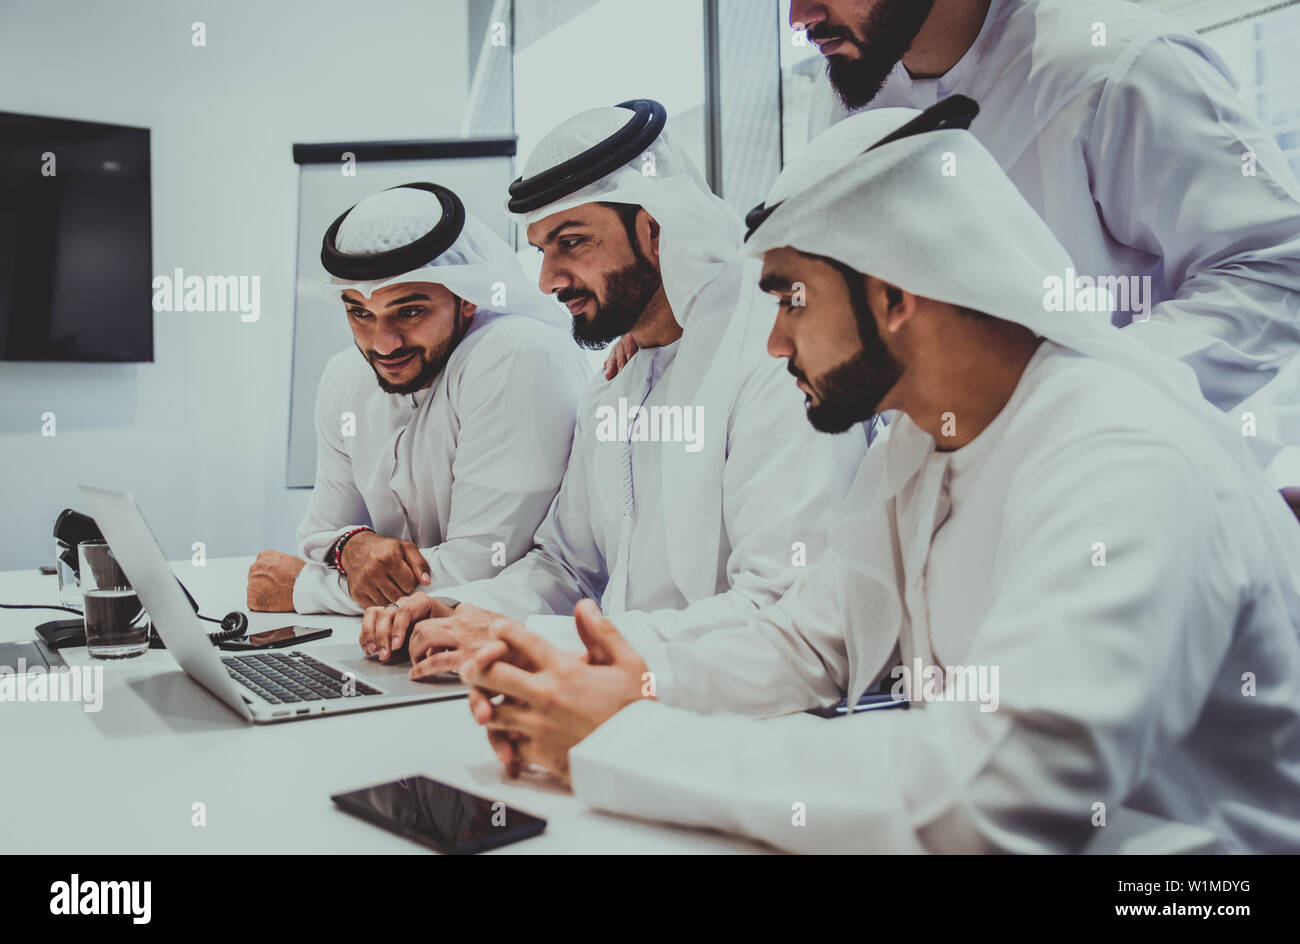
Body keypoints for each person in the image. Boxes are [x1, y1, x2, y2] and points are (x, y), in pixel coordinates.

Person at [459, 102, 1300, 853]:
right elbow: (811, 641)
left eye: (792, 300)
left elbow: (999, 794)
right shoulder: (924, 446)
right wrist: (610, 683)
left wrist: (619, 741)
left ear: (894, 293)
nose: (775, 342)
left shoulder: (1119, 458)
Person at [363, 101, 865, 672]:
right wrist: (457, 607)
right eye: (542, 251)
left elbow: (782, 617)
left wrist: (544, 645)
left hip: (744, 725)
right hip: (614, 706)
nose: (549, 280)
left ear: (654, 230)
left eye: (572, 242)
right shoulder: (616, 383)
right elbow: (568, 568)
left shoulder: (776, 357)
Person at [791, 0, 1300, 424]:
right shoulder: (844, 94)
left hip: (1118, 491)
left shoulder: (1115, 66)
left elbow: (1274, 266)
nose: (798, 15)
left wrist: (1078, 402)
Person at [246, 183, 589, 615]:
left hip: (526, 647)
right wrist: (353, 546)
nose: (383, 344)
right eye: (360, 313)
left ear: (466, 298)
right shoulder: (345, 376)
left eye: (409, 311)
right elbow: (322, 533)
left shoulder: (516, 355)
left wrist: (304, 589)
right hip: (405, 644)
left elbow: (480, 570)